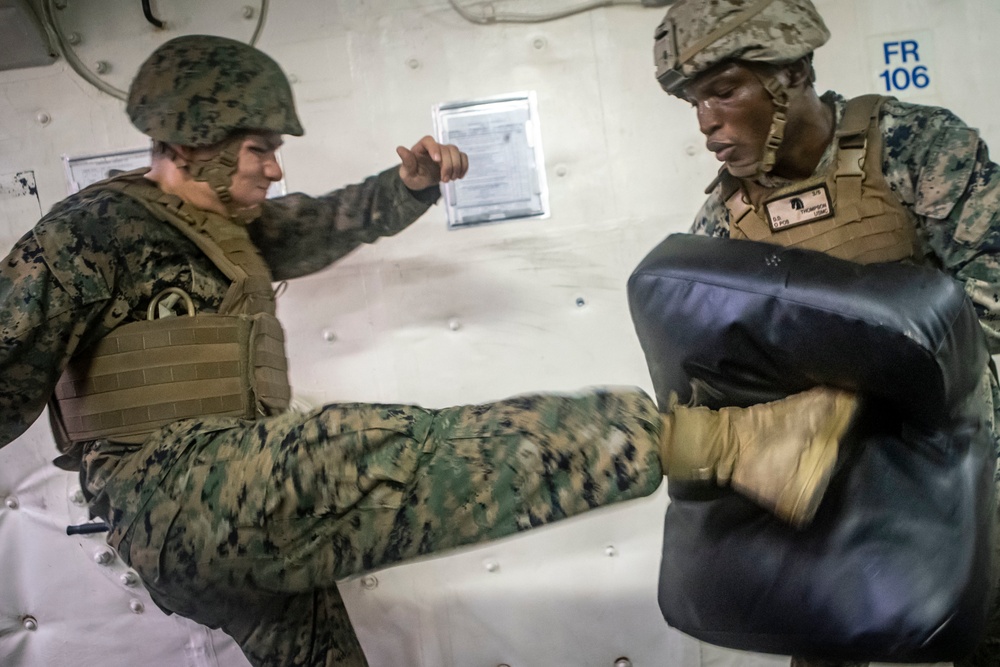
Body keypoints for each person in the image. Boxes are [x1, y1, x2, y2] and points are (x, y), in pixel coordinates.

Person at [0, 33, 860, 666]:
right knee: (383, 456)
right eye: (257, 151)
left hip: (232, 514)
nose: (271, 170)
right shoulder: (93, 230)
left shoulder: (227, 230)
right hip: (181, 494)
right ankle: (734, 445)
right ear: (187, 145)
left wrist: (409, 186)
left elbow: (320, 224)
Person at [652, 1, 1000, 666]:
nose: (706, 124)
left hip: (967, 471)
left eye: (725, 91)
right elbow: (723, 384)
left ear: (791, 74)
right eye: (694, 102)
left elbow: (991, 303)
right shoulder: (721, 228)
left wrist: (866, 399)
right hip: (830, 508)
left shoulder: (917, 150)